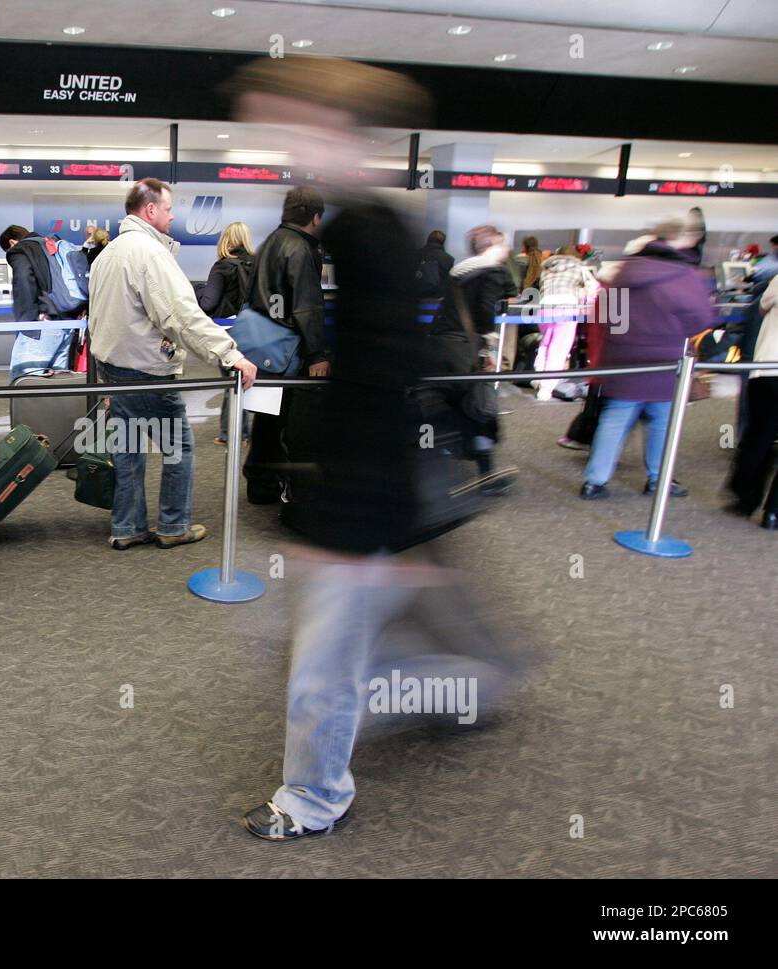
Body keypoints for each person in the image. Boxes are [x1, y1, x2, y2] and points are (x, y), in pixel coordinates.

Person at [227, 55, 521, 843]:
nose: (283, 142)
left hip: (366, 491)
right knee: (329, 651)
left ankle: (314, 797)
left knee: (322, 667)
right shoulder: (364, 224)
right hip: (365, 488)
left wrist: (359, 515)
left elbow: (384, 379)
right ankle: (474, 684)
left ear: (330, 128)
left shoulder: (369, 231)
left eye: (290, 123)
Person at [87, 178, 257, 550]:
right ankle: (173, 525)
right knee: (179, 449)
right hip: (148, 373)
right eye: (168, 208)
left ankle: (127, 527)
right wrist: (230, 354)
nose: (173, 214)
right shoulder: (149, 254)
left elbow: (95, 319)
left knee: (128, 452)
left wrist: (102, 379)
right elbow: (182, 317)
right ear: (150, 211)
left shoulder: (108, 254)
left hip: (114, 370)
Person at [579, 217, 713, 500]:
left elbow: (608, 315)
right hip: (666, 358)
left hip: (623, 356)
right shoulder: (685, 274)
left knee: (615, 418)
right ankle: (658, 479)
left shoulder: (625, 269)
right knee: (664, 421)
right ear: (685, 239)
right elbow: (701, 320)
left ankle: (595, 481)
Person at [243, 186, 329, 503]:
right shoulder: (300, 249)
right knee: (285, 422)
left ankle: (259, 482)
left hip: (261, 344)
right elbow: (307, 306)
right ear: (316, 217)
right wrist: (318, 352)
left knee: (266, 419)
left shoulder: (270, 243)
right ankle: (274, 483)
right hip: (287, 350)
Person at [427, 224, 513, 490]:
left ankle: (438, 462)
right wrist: (489, 345)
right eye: (502, 244)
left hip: (441, 346)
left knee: (448, 403)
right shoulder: (492, 273)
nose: (506, 249)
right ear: (489, 247)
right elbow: (485, 311)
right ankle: (486, 472)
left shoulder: (458, 271)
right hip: (465, 350)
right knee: (480, 407)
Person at [726, 273, 778, 530]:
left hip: (769, 370)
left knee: (759, 436)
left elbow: (762, 306)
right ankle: (774, 513)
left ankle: (745, 499)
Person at [199, 221, 257, 445]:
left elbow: (208, 303)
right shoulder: (258, 264)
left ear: (226, 240)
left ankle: (230, 433)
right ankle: (248, 432)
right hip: (254, 330)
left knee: (232, 382)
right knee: (250, 380)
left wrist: (200, 290)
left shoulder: (222, 266)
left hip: (229, 332)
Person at [0, 224, 80, 381]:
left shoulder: (21, 249)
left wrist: (28, 325)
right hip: (68, 322)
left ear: (11, 243)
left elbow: (23, 282)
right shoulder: (53, 243)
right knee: (58, 382)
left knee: (24, 380)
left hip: (42, 324)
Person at [532, 244, 598, 401]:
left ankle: (537, 375)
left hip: (544, 308)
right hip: (567, 308)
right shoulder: (580, 268)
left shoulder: (547, 269)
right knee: (559, 348)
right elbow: (593, 289)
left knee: (546, 342)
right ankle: (546, 389)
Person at [415, 229, 453, 300]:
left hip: (416, 297)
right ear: (443, 242)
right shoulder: (449, 259)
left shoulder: (417, 254)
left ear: (428, 239)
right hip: (438, 298)